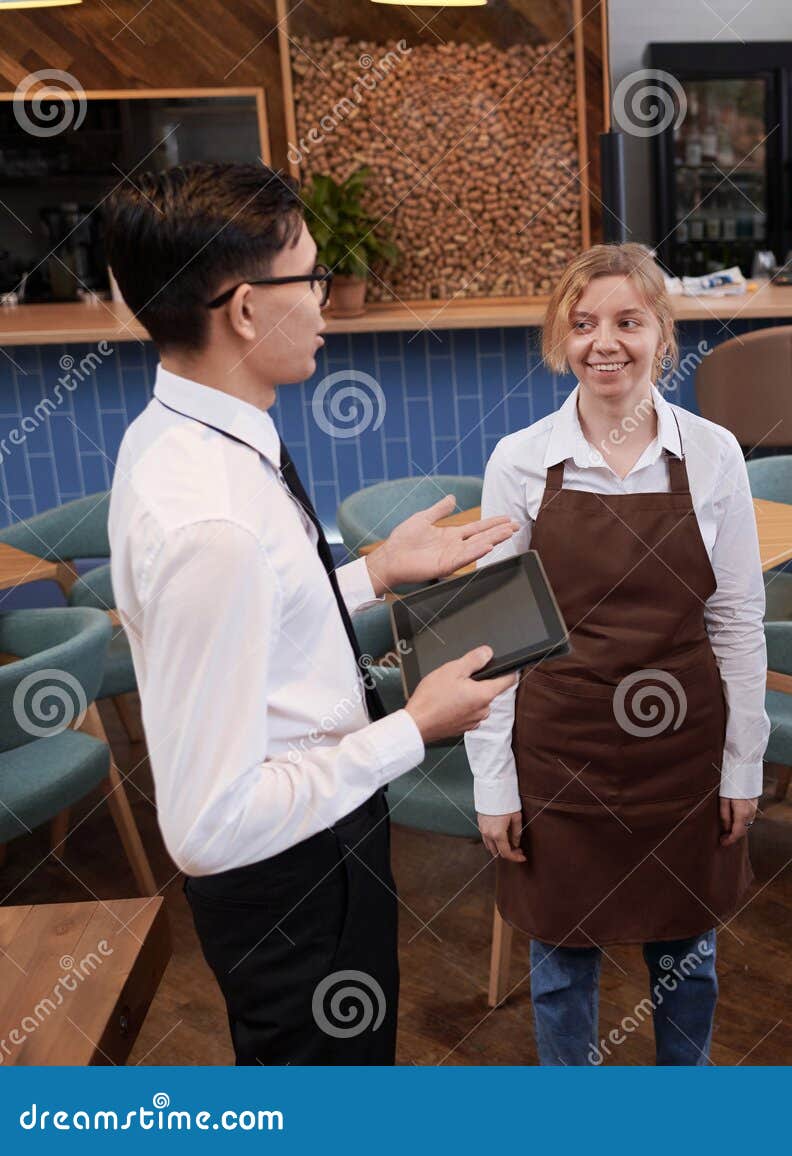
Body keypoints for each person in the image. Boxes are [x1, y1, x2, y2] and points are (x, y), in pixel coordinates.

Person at [103, 162, 517, 1065]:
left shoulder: (182, 431)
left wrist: (372, 573)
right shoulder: (210, 520)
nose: (328, 304)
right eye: (314, 278)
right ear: (246, 310)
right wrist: (415, 727)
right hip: (292, 875)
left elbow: (259, 620)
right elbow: (210, 828)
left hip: (320, 828)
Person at [467, 243, 768, 1066]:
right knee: (561, 963)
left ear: (662, 335)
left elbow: (739, 622)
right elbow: (493, 640)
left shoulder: (713, 455)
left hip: (683, 751)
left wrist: (743, 764)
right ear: (561, 340)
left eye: (628, 321)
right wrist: (494, 782)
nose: (606, 342)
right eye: (584, 323)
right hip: (563, 751)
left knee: (688, 961)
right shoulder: (520, 462)